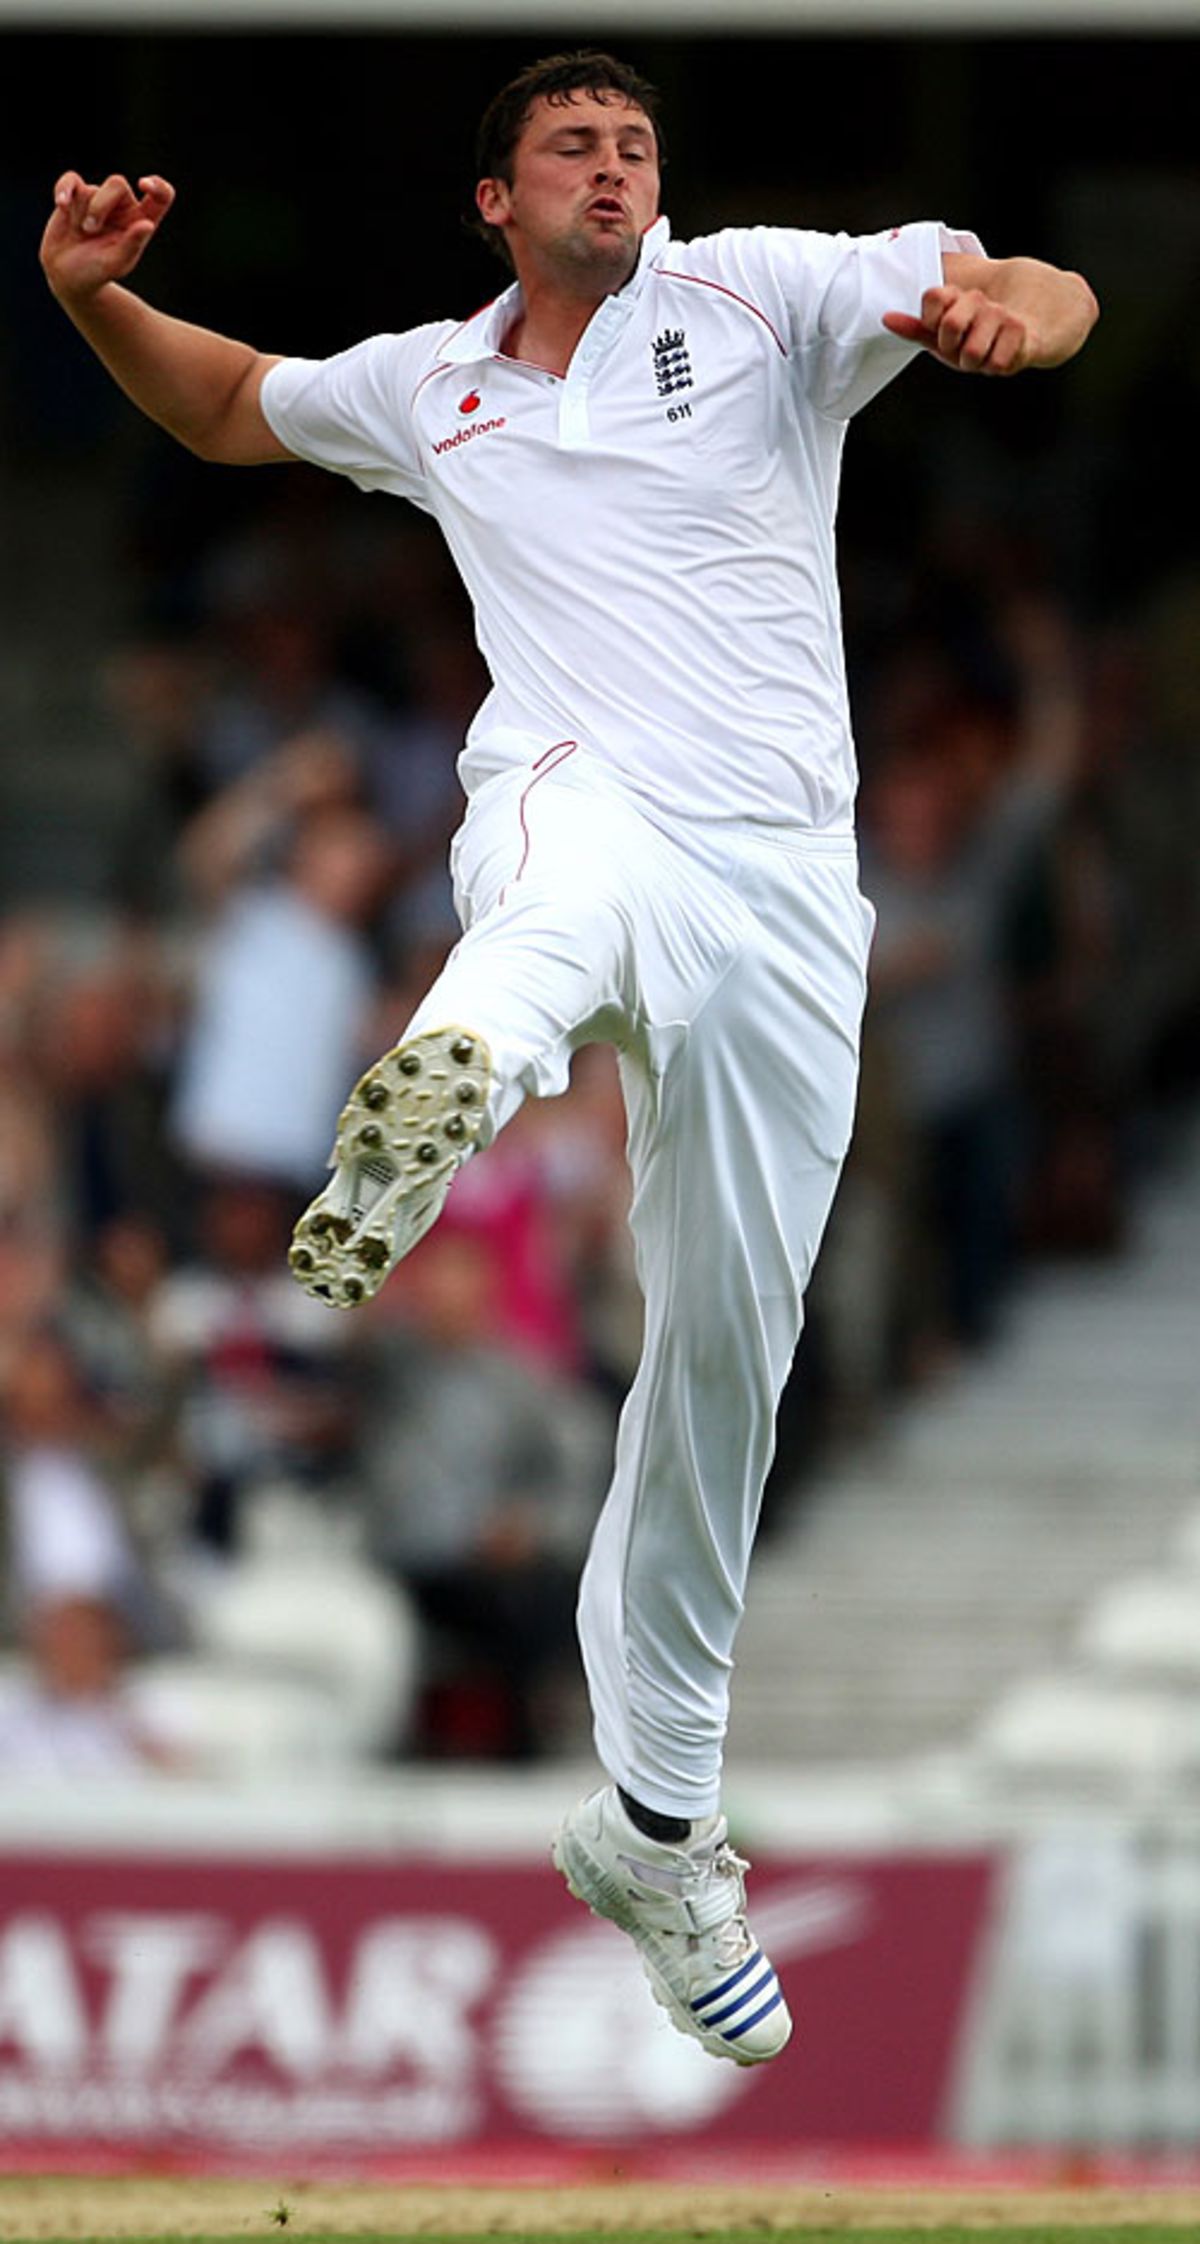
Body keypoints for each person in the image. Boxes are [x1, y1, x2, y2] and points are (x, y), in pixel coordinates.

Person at [40, 48, 1097, 2064]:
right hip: (585, 797)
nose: (613, 169)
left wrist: (1009, 320)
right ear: (493, 204)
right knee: (555, 903)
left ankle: (660, 1826)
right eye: (570, 149)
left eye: (634, 146)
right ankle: (438, 1103)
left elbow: (1038, 278)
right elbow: (226, 401)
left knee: (727, 1347)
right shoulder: (432, 388)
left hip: (789, 882)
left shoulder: (770, 296)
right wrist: (96, 295)